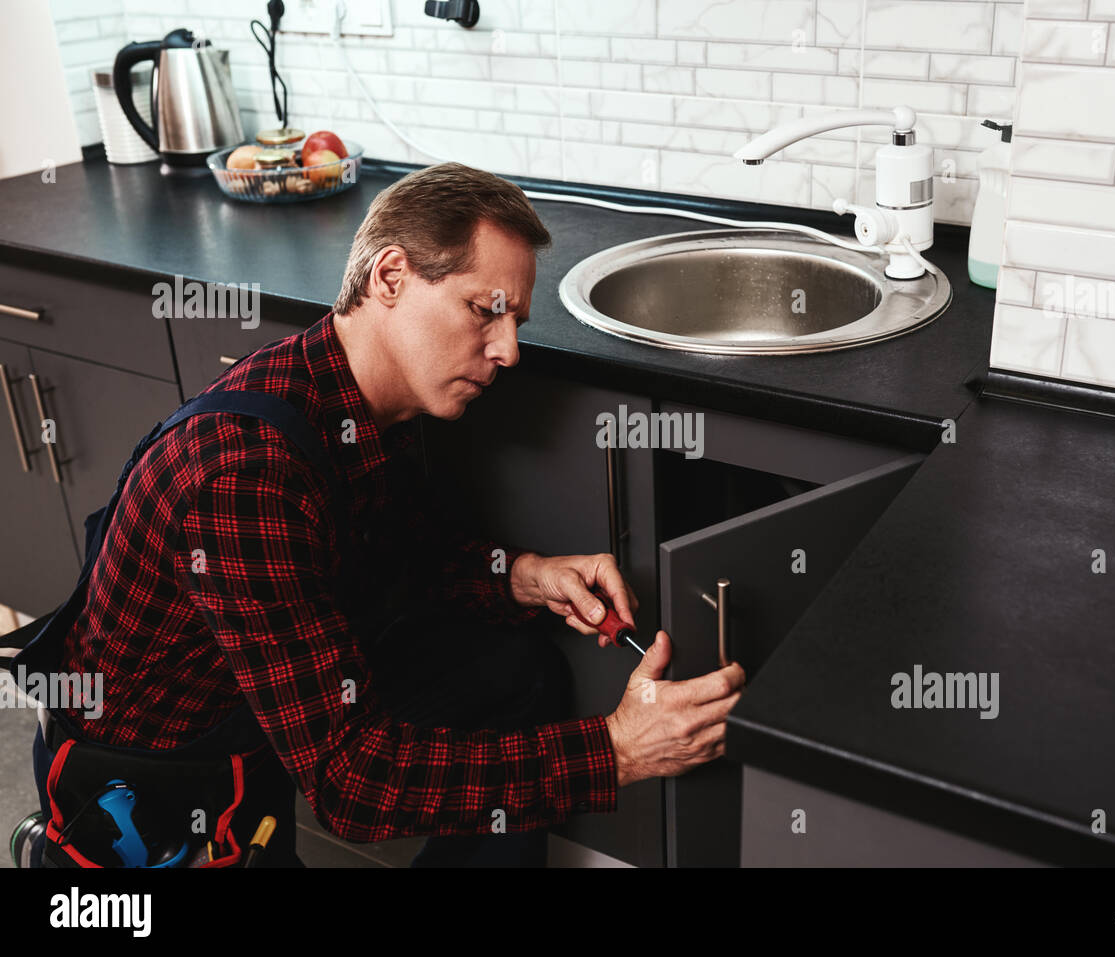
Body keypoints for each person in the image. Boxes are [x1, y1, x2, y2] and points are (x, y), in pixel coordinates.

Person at [21, 162, 745, 868]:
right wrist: (616, 750)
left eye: (515, 321)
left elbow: (403, 552)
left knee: (513, 672)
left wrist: (524, 576)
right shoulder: (247, 473)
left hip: (266, 701)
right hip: (163, 782)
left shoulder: (349, 390)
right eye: (484, 310)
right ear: (390, 277)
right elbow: (352, 788)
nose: (509, 351)